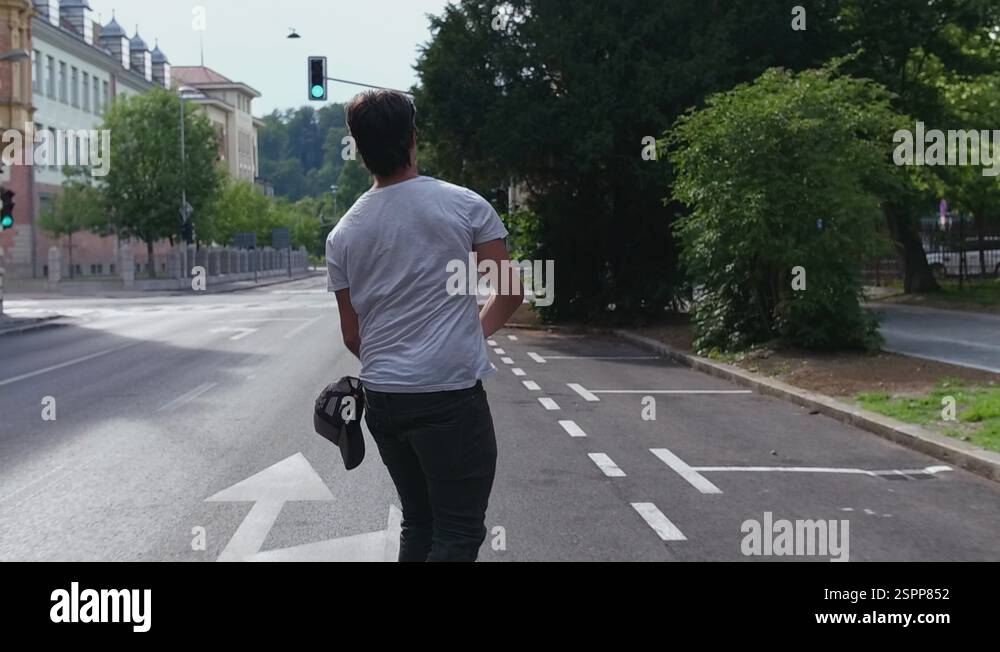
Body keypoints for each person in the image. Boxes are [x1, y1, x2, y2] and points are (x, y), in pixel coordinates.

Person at [326, 90, 524, 562]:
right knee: (457, 533)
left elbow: (352, 335)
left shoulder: (343, 233)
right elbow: (509, 291)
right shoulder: (465, 205)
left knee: (419, 522)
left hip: (384, 401)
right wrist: (469, 335)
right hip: (449, 397)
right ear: (413, 139)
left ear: (358, 149)